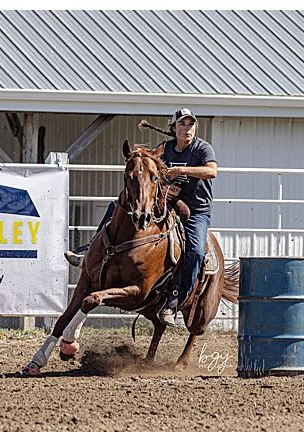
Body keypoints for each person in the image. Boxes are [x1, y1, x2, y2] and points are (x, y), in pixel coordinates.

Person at [66, 108, 218, 327]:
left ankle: (174, 302)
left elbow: (212, 171)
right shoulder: (164, 149)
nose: (188, 128)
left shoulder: (202, 148)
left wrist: (181, 172)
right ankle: (90, 252)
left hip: (196, 209)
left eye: (191, 124)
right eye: (183, 124)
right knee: (115, 207)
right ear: (173, 128)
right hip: (168, 200)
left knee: (196, 251)